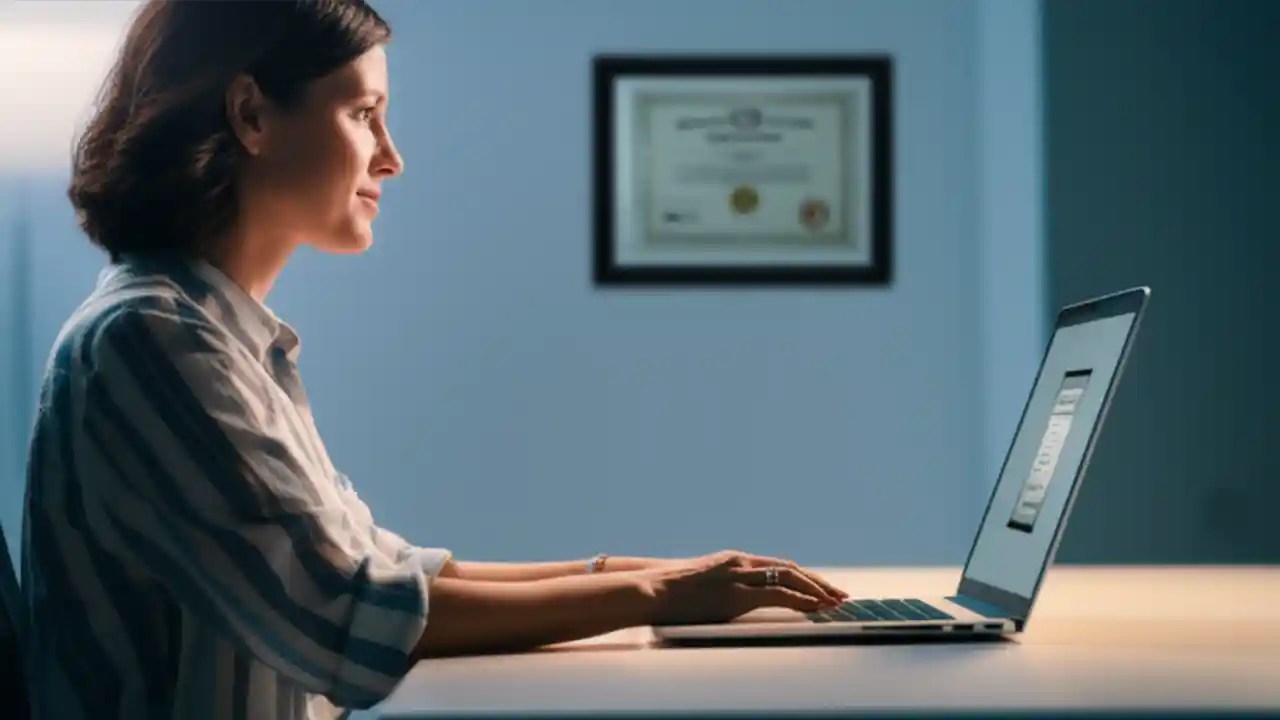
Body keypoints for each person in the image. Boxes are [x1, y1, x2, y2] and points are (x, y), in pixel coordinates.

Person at [21, 2, 847, 719]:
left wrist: (639, 573)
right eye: (364, 114)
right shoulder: (149, 341)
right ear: (252, 116)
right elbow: (346, 614)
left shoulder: (213, 333)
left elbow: (378, 566)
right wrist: (652, 597)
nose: (392, 156)